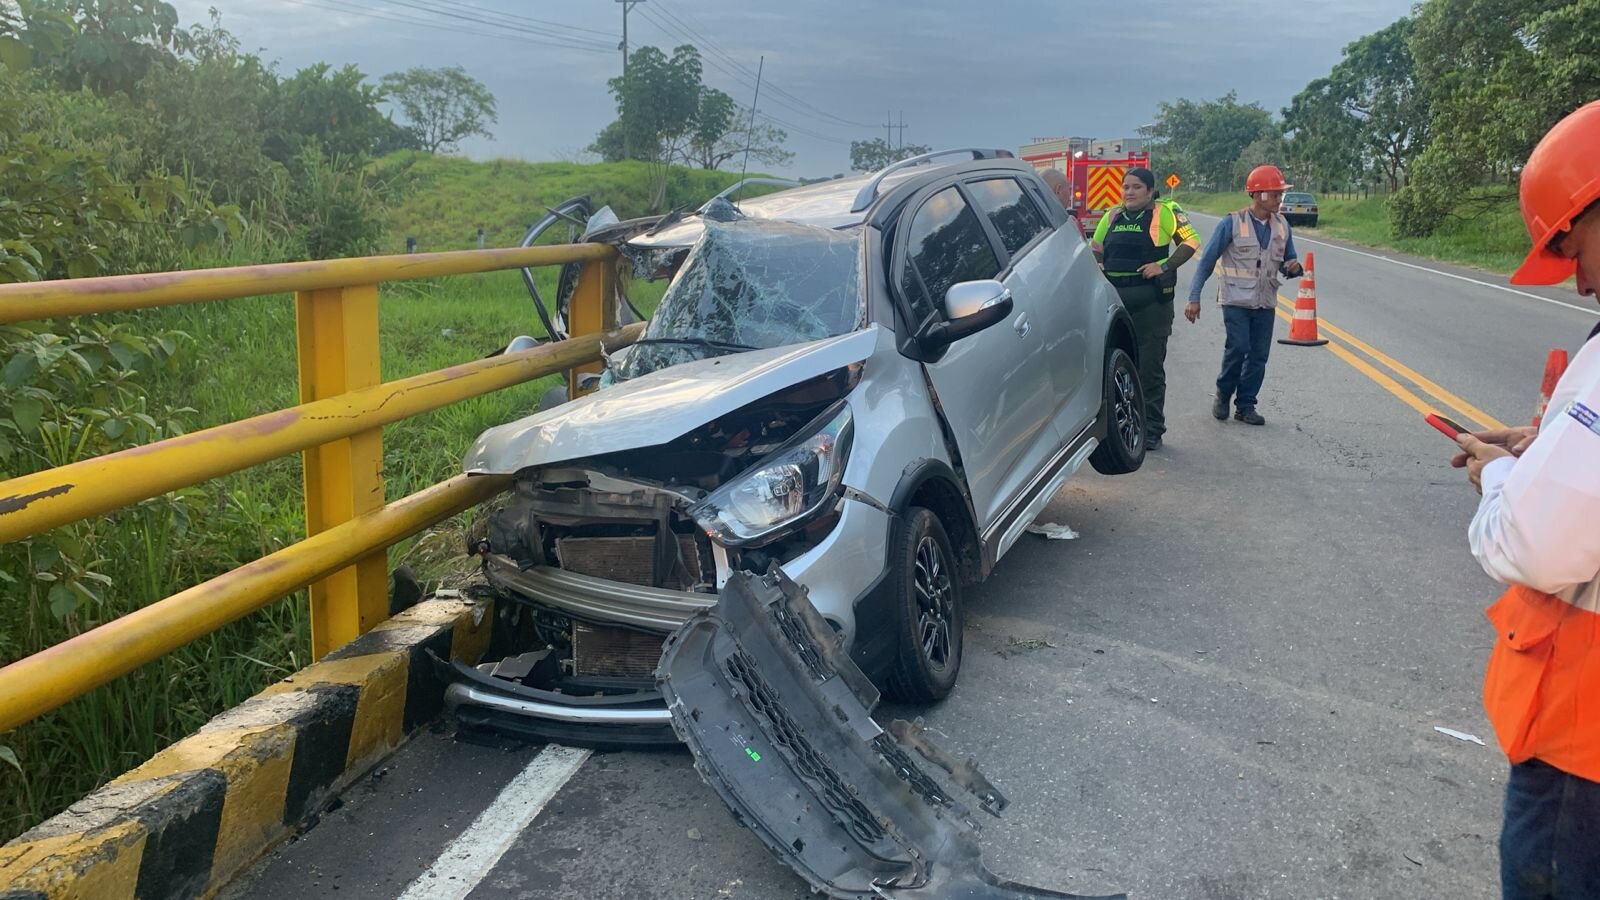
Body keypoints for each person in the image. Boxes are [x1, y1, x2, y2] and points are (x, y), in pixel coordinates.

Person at [1451, 98, 1600, 900]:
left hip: (1587, 740)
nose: (1574, 273)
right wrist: (1543, 447)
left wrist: (1499, 476)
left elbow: (1535, 544)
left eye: (1572, 240)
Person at [1090, 168, 1202, 450]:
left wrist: (1163, 266)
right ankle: (1120, 428)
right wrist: (1098, 263)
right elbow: (1096, 246)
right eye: (1125, 187)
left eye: (1136, 187)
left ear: (1150, 191)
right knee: (1115, 370)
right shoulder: (1112, 216)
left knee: (1149, 371)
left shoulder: (1166, 212)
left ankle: (1152, 429)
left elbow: (1191, 241)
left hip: (1151, 307)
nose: (1129, 192)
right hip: (1115, 307)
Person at [1185, 164, 1304, 426]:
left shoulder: (1283, 225)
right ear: (1258, 194)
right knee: (1238, 347)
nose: (1278, 199)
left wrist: (1293, 267)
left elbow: (1289, 260)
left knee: (1259, 355)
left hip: (1265, 301)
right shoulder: (1231, 223)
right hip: (1235, 300)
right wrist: (1194, 297)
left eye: (1279, 194)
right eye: (1274, 194)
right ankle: (1224, 393)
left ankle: (1246, 405)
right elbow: (1206, 261)